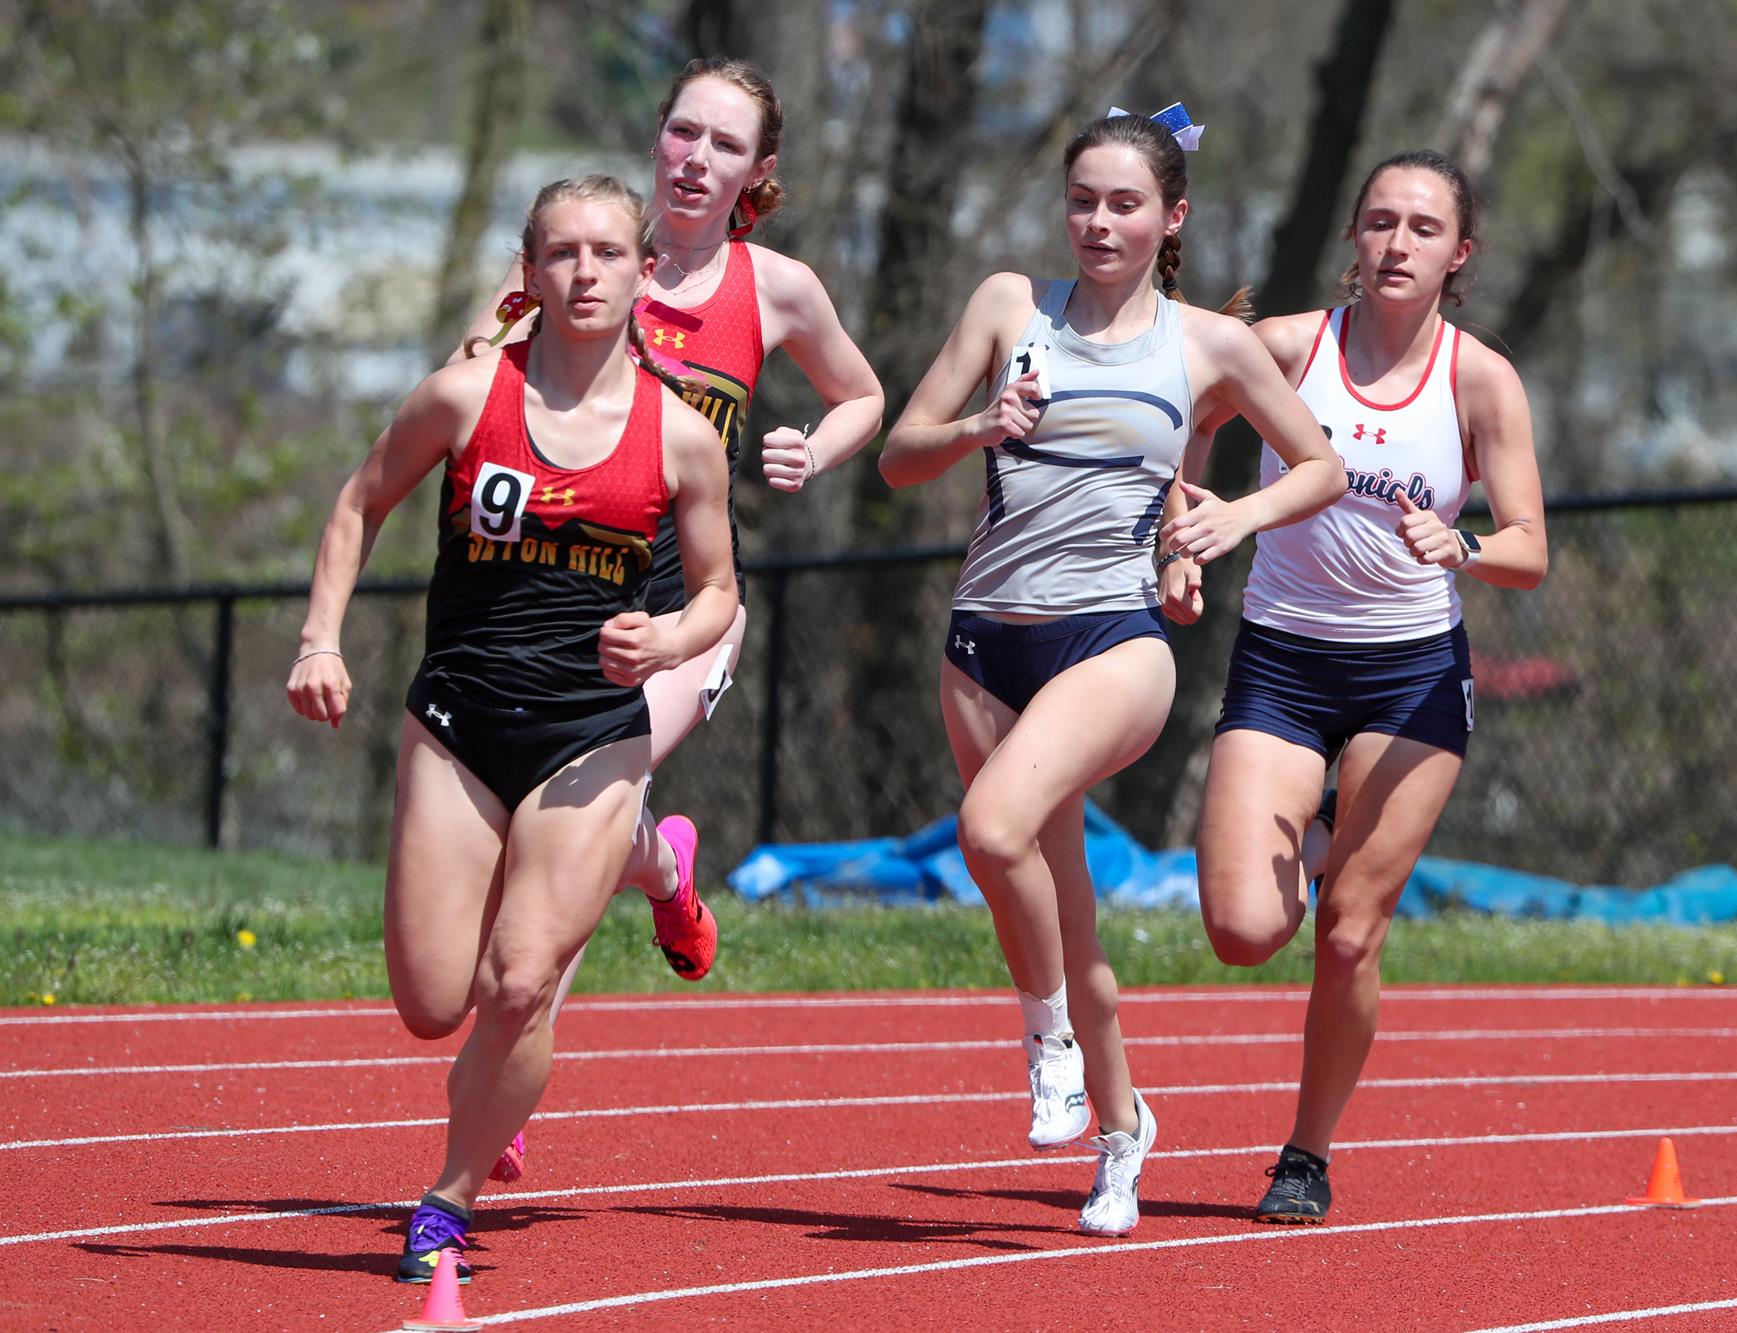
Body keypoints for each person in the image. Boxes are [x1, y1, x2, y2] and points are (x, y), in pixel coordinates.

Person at [879, 105, 1345, 1237]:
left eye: (1123, 203)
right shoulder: (1007, 307)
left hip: (1110, 641)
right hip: (986, 640)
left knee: (989, 831)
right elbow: (899, 455)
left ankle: (1044, 1043)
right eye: (1081, 199)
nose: (1097, 220)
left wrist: (1229, 518)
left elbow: (1321, 466)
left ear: (1169, 218)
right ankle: (1122, 1123)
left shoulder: (1204, 344)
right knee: (1068, 915)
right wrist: (978, 426)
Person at [286, 175, 736, 1282]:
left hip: (590, 731)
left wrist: (670, 643)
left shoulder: (681, 440)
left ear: (642, 275)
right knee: (433, 1000)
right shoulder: (461, 395)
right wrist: (319, 639)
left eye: (609, 255)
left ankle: (448, 1195)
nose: (586, 274)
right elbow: (358, 502)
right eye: (564, 254)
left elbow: (722, 593)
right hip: (458, 719)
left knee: (520, 981)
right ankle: (657, 860)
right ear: (529, 272)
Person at [460, 56, 885, 1000]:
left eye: (725, 144)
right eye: (684, 132)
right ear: (658, 136)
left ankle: (514, 1063)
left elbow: (863, 395)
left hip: (688, 604)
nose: (696, 159)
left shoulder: (776, 288)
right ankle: (667, 868)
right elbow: (476, 369)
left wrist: (813, 451)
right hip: (558, 592)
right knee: (567, 829)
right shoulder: (583, 252)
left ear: (756, 171)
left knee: (569, 818)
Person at [1185, 149, 1547, 1224]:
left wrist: (1464, 544)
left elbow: (1529, 546)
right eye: (1379, 222)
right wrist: (1176, 530)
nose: (1396, 244)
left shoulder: (1477, 378)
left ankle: (1305, 1152)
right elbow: (1189, 418)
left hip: (1409, 678)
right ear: (1352, 236)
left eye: (1422, 229)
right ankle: (1311, 812)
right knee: (1245, 929)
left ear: (1458, 254)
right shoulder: (1286, 348)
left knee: (1347, 932)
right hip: (1284, 659)